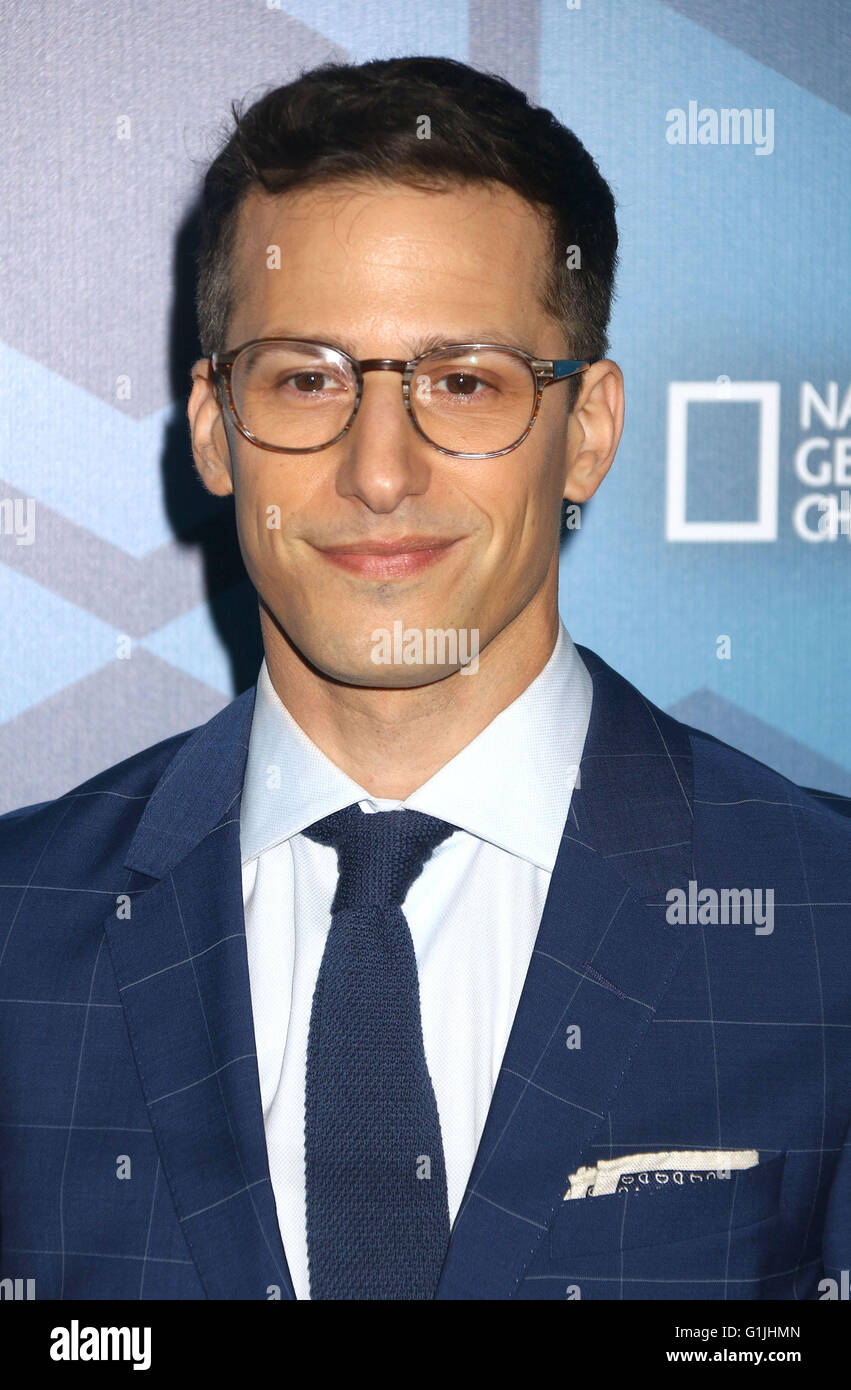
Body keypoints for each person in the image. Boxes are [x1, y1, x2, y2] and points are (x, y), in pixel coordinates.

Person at [1, 56, 848, 1302]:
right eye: (305, 378)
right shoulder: (18, 934)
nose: (379, 472)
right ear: (211, 427)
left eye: (462, 382)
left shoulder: (823, 923)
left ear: (589, 432)